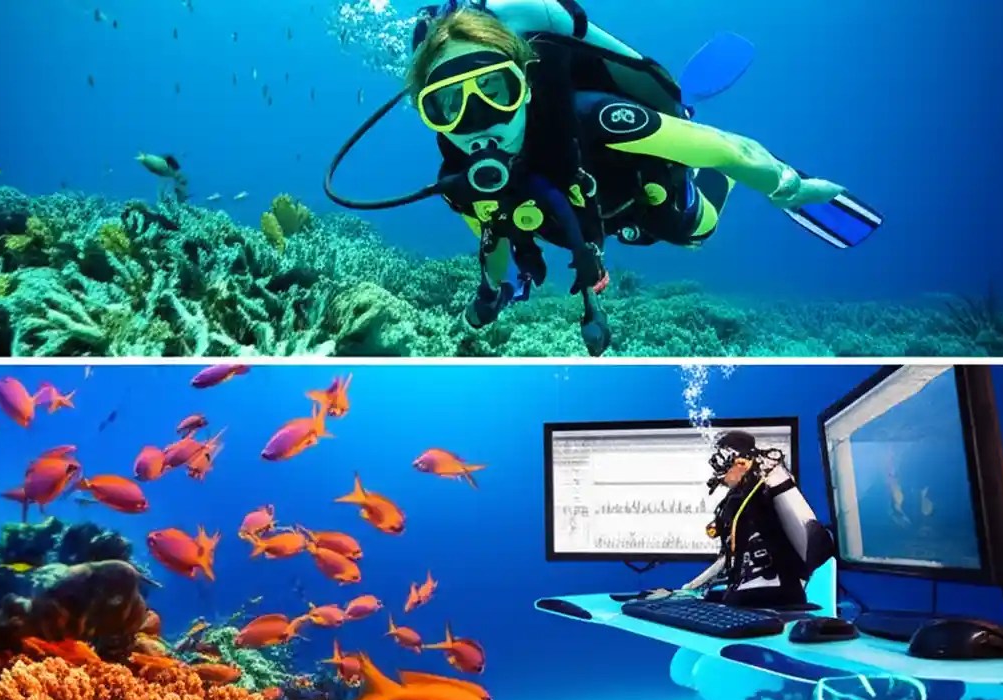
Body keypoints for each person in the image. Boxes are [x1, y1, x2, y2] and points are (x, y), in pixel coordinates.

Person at [325, 0, 882, 355]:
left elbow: (727, 148)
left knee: (694, 233)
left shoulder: (595, 120)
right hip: (586, 217)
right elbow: (490, 238)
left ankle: (689, 127)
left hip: (638, 192)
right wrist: (491, 290)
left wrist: (784, 185)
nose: (479, 126)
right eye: (448, 106)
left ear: (524, 79)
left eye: (495, 92)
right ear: (430, 119)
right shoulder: (462, 183)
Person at [680, 430, 834, 608]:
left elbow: (814, 546)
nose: (717, 470)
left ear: (741, 461)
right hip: (745, 591)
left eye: (722, 458)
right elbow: (730, 557)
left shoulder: (766, 488)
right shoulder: (740, 501)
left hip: (773, 596)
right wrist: (690, 588)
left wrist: (775, 476)